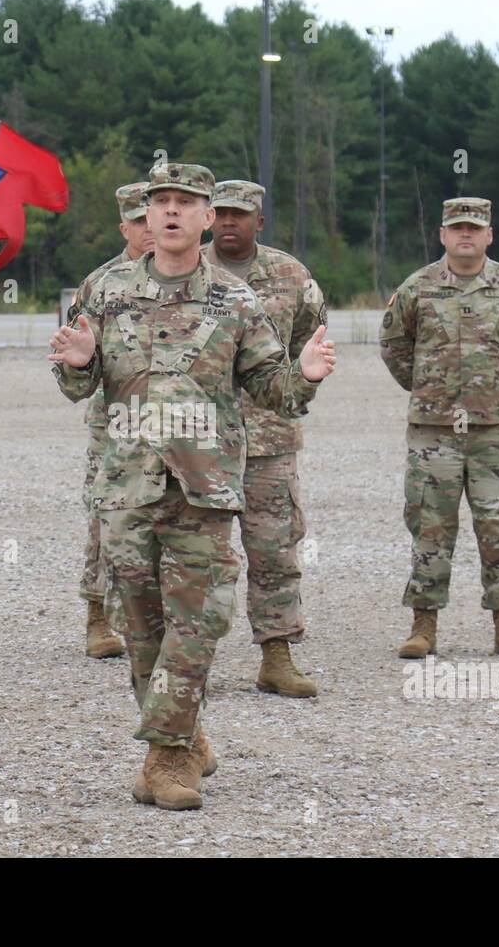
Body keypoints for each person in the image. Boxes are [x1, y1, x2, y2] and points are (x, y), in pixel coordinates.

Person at [48, 162, 336, 810]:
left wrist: (307, 374)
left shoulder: (235, 301)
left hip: (203, 487)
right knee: (141, 624)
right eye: (161, 202)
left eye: (187, 203)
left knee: (199, 620)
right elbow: (77, 384)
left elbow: (272, 392)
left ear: (208, 219)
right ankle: (187, 732)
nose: (172, 212)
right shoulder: (103, 289)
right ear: (144, 218)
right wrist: (75, 364)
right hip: (126, 485)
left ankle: (167, 757)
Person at [378, 196, 499, 659]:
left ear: (489, 235)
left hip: (495, 431)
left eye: (474, 228)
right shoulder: (418, 288)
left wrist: (497, 395)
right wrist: (430, 391)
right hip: (435, 430)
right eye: (457, 228)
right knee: (430, 524)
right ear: (443, 236)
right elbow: (394, 347)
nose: (465, 235)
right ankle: (423, 626)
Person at [202, 179, 326, 697]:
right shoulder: (184, 269)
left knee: (274, 548)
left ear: (259, 220)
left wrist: (295, 390)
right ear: (209, 218)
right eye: (222, 214)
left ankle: (276, 654)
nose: (230, 222)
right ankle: (189, 663)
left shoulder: (290, 275)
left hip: (269, 438)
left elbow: (309, 342)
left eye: (241, 215)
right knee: (196, 554)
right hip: (198, 441)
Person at [70, 181, 153, 659]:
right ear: (124, 226)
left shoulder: (193, 276)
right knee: (107, 515)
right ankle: (98, 615)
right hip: (116, 422)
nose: (149, 229)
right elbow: (77, 363)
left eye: (155, 216)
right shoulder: (101, 284)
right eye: (138, 221)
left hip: (179, 422)